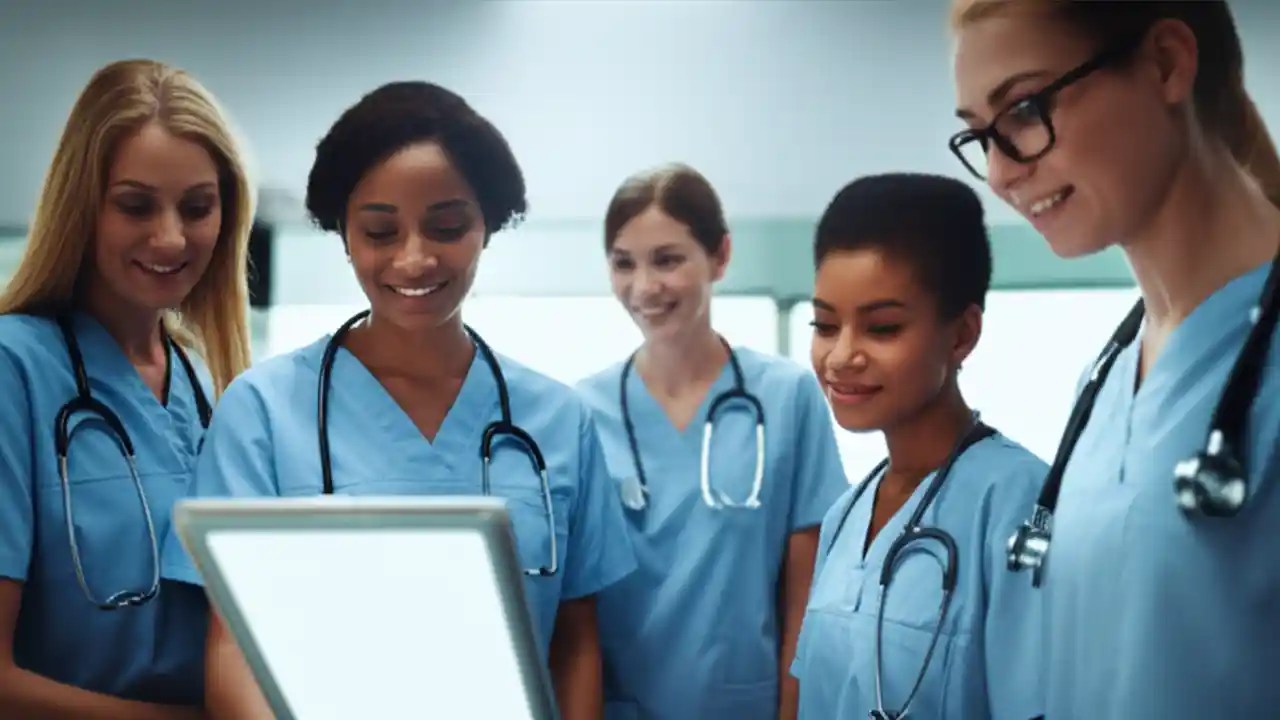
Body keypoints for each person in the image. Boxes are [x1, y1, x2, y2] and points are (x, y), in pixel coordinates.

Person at [157, 80, 637, 719]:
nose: (414, 259)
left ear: (487, 225)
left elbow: (576, 645)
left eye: (447, 226)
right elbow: (231, 649)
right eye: (380, 231)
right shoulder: (263, 413)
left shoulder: (557, 419)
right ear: (344, 234)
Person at [949, 1, 1280, 716]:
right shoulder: (1103, 383)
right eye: (979, 136)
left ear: (1166, 63)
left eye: (1026, 109)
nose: (1001, 172)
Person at [0, 58, 254, 718]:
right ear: (82, 207)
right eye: (136, 206)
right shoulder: (13, 369)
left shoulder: (207, 382)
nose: (171, 237)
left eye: (197, 208)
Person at [574, 162, 849, 720]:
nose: (644, 287)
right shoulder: (582, 412)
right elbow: (575, 613)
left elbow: (806, 603)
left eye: (668, 260)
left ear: (719, 256)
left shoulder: (786, 396)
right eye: (623, 263)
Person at [790, 173, 1048, 719]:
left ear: (961, 336)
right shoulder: (845, 516)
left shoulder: (1019, 503)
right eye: (824, 324)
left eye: (881, 328)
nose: (841, 356)